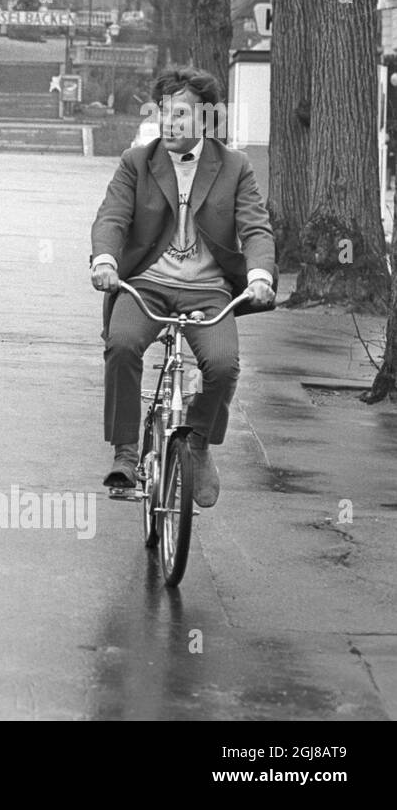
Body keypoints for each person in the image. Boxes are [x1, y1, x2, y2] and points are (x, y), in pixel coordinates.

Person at [91, 65, 276, 507]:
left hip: (208, 289)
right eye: (165, 113)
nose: (169, 123)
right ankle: (126, 453)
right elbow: (113, 216)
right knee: (121, 345)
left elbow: (255, 227)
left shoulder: (235, 166)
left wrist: (259, 276)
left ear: (207, 120)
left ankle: (197, 440)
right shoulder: (137, 162)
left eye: (181, 115)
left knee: (224, 365)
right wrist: (104, 259)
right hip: (146, 284)